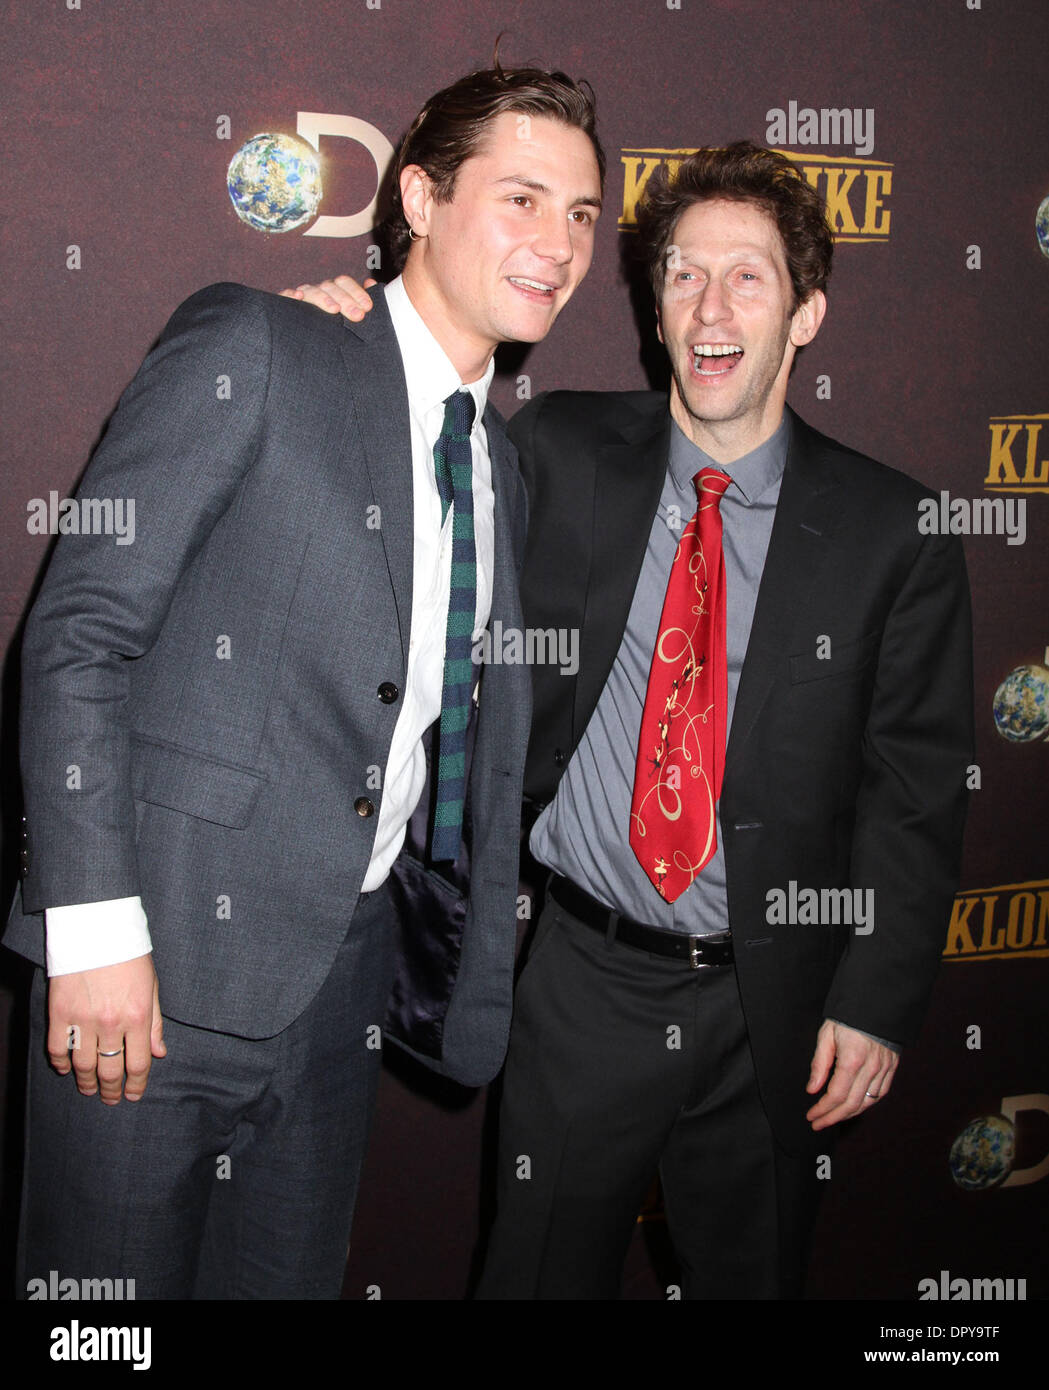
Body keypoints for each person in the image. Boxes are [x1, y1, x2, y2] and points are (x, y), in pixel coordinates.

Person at [288, 141, 974, 1300]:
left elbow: (912, 791)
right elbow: (413, 456)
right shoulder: (553, 450)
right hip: (584, 982)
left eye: (746, 278)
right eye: (681, 277)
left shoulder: (889, 531)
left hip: (780, 1003)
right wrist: (333, 341)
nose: (708, 308)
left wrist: (875, 997)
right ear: (651, 310)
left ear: (804, 314)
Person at [6, 64, 604, 1300]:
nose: (558, 245)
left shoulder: (500, 456)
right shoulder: (263, 342)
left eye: (582, 216)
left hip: (341, 995)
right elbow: (78, 636)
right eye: (523, 199)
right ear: (420, 197)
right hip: (148, 973)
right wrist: (96, 928)